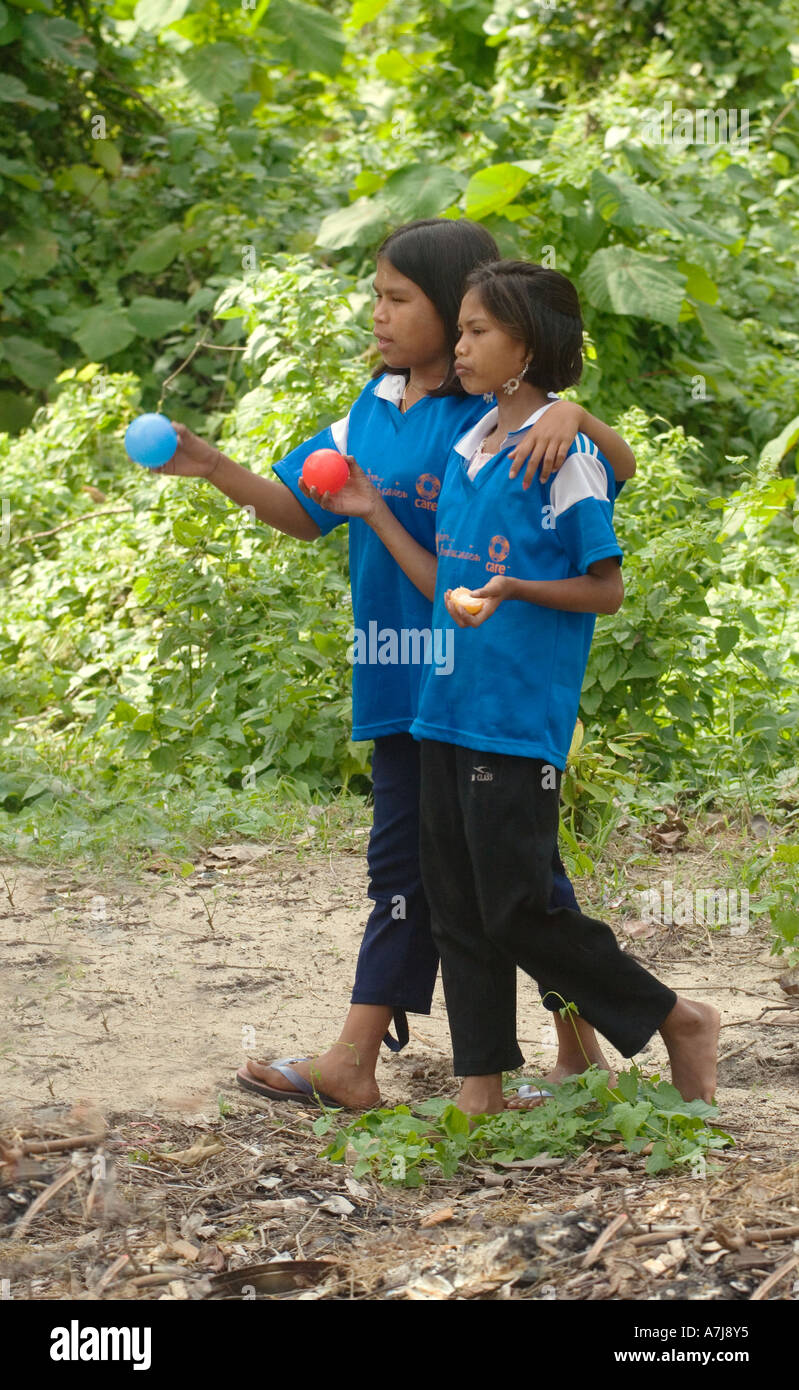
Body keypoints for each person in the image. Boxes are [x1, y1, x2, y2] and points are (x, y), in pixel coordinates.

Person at [157, 220, 637, 1108]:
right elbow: (306, 509)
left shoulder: (488, 410)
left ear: (464, 309)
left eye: (398, 298)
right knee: (466, 871)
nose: (378, 315)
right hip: (395, 670)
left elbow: (607, 471)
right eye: (377, 296)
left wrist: (572, 410)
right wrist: (211, 464)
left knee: (474, 870)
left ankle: (363, 1056)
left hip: (468, 679)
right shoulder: (373, 408)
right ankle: (563, 1052)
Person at [323, 259, 720, 1112]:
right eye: (459, 328)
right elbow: (442, 579)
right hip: (443, 706)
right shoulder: (472, 447)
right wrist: (375, 511)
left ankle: (677, 1017)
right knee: (457, 909)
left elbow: (605, 589)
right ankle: (480, 1090)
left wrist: (514, 590)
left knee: (514, 908)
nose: (458, 346)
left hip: (512, 717)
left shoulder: (563, 452)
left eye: (476, 332)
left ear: (526, 347)